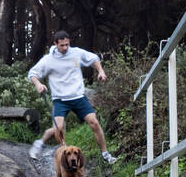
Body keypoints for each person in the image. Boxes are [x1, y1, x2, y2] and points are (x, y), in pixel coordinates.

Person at [28, 30, 118, 164]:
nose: (65, 48)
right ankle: (40, 144)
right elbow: (32, 73)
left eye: (67, 45)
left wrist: (101, 71)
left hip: (78, 97)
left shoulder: (76, 53)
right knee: (58, 130)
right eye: (62, 45)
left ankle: (105, 155)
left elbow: (94, 58)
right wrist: (38, 84)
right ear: (55, 44)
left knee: (94, 123)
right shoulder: (49, 60)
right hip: (60, 100)